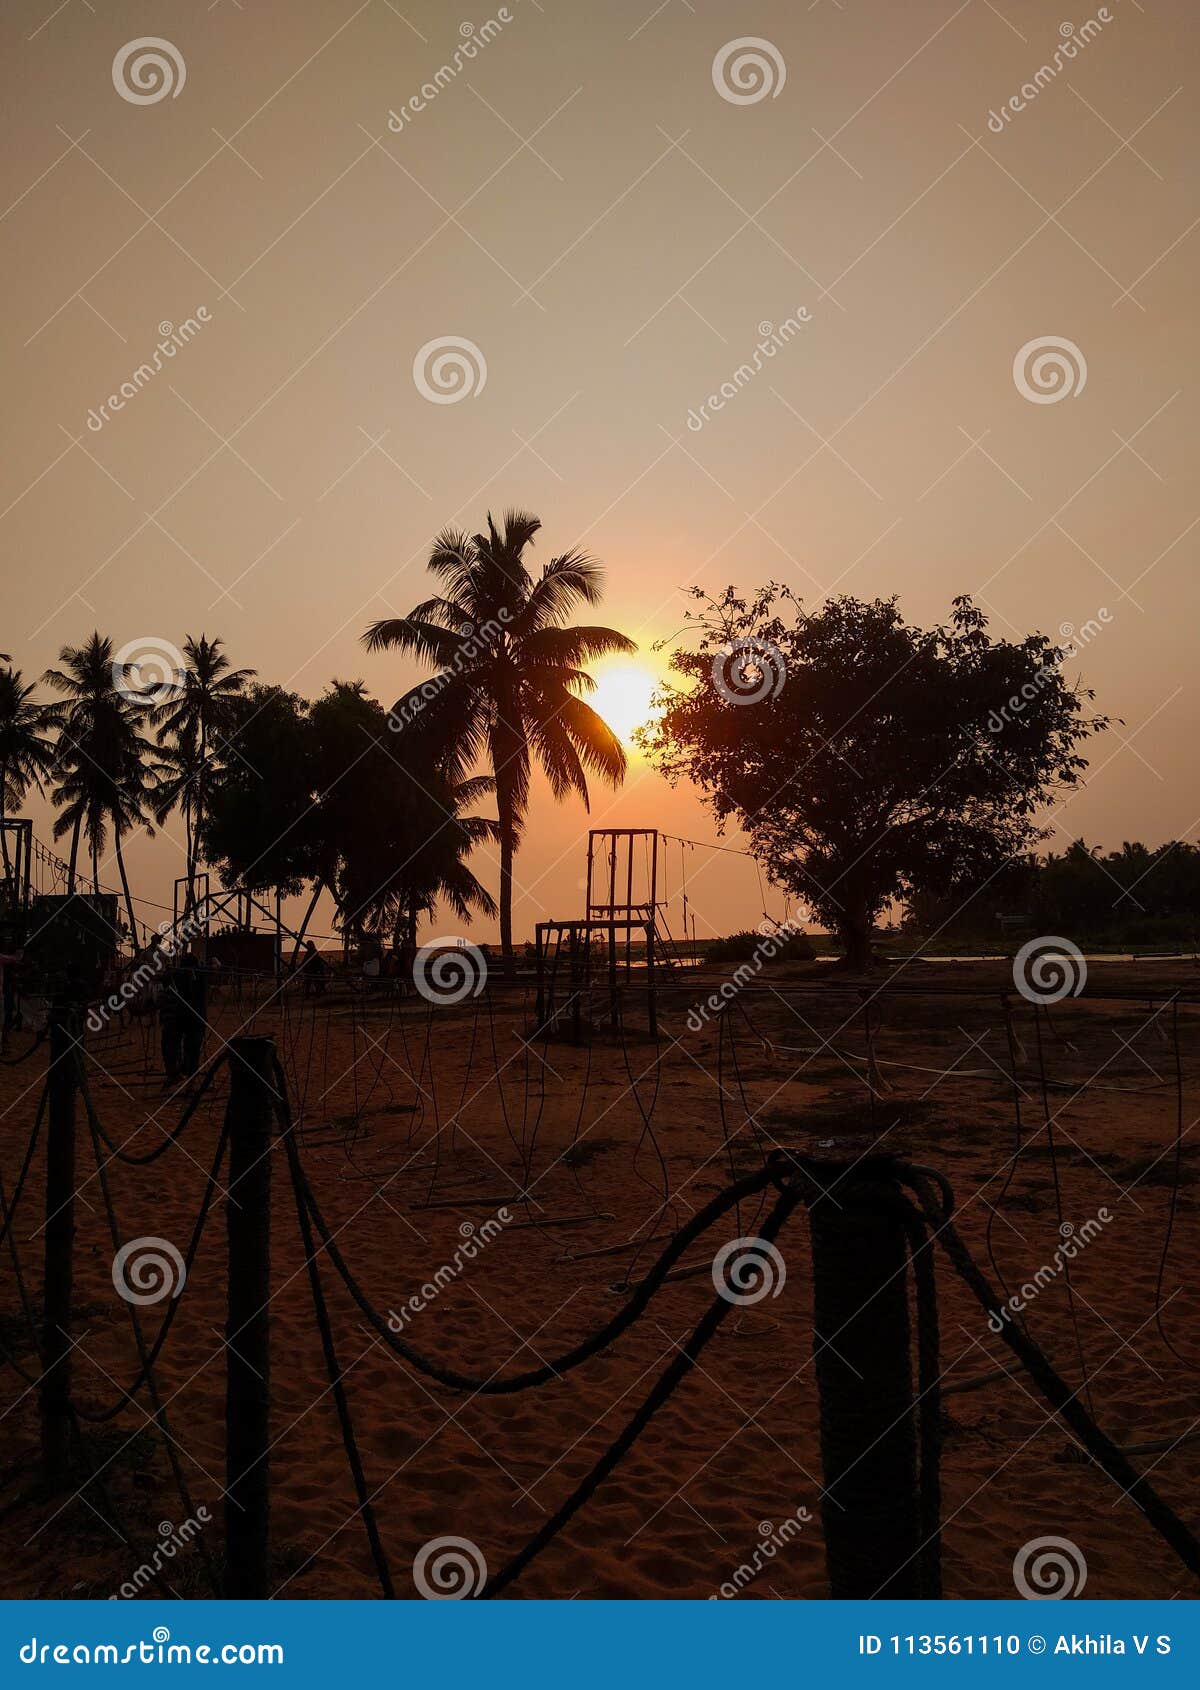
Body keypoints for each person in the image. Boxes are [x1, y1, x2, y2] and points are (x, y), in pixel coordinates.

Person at [160, 951, 207, 1085]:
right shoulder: (201, 972)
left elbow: (163, 979)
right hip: (194, 1018)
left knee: (175, 1044)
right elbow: (216, 966)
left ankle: (177, 1073)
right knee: (191, 1048)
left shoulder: (177, 974)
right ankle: (182, 1074)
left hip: (184, 1017)